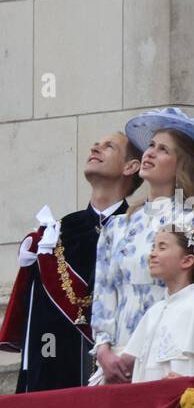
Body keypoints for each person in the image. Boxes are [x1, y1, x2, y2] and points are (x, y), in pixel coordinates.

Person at [0, 133, 140, 392]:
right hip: (55, 373)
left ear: (130, 167)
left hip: (117, 368)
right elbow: (37, 320)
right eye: (96, 143)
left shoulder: (139, 226)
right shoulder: (57, 232)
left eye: (108, 146)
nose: (95, 147)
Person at [90, 108, 194, 384]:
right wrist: (103, 348)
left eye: (162, 150)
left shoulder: (192, 221)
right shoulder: (116, 226)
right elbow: (104, 293)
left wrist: (138, 351)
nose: (149, 153)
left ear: (180, 163)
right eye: (149, 146)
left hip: (163, 351)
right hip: (113, 359)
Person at [119, 223, 194, 383]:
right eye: (153, 247)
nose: (151, 254)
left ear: (187, 261)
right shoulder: (153, 312)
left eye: (162, 247)